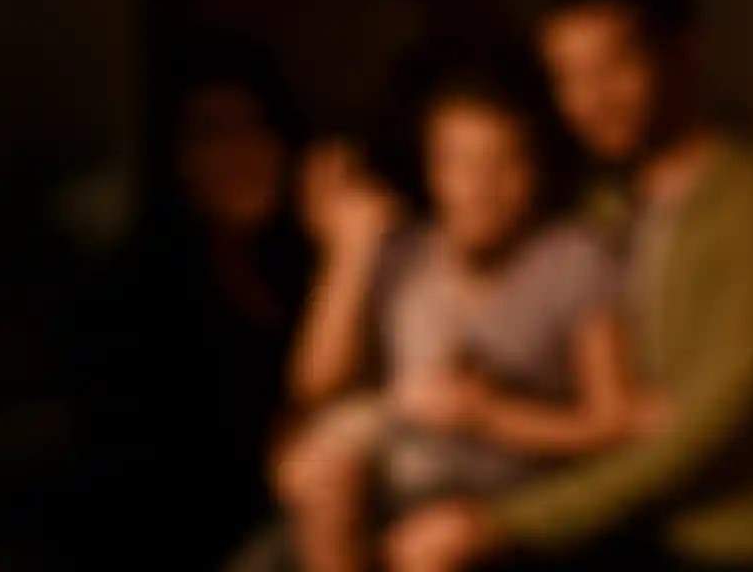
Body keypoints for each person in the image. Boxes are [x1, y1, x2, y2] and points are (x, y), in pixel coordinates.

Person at [383, 0, 753, 572]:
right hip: (629, 525)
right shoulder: (602, 204)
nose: (590, 99)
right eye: (567, 76)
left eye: (613, 67)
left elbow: (710, 425)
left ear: (683, 50)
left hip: (732, 539)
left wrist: (509, 522)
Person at [273, 51, 642, 572]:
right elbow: (316, 385)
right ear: (432, 168)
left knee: (430, 552)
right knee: (318, 472)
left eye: (503, 162)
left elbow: (614, 420)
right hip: (397, 480)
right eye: (460, 161)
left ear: (534, 165)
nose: (481, 186)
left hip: (502, 497)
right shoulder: (405, 256)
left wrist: (488, 415)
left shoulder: (572, 261)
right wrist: (349, 251)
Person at [59, 33, 310, 570]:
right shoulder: (137, 293)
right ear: (178, 157)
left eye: (253, 126)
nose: (237, 153)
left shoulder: (304, 265)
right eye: (211, 133)